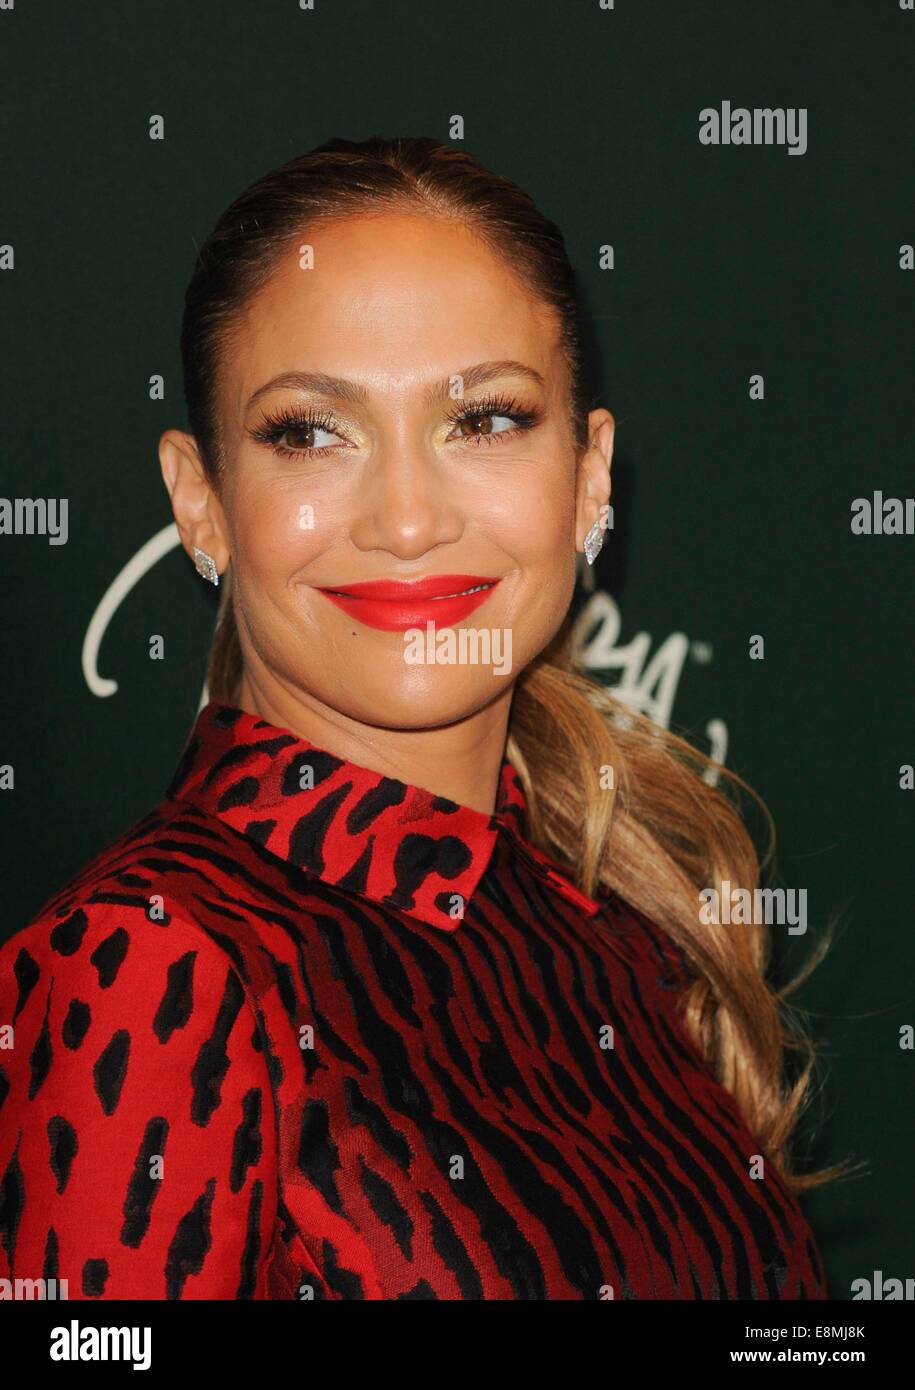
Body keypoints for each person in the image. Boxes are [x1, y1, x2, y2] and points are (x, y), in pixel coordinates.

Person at [0, 136, 832, 1300]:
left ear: (591, 477)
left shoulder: (620, 924)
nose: (405, 519)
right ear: (203, 504)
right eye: (310, 431)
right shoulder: (153, 961)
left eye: (484, 419)